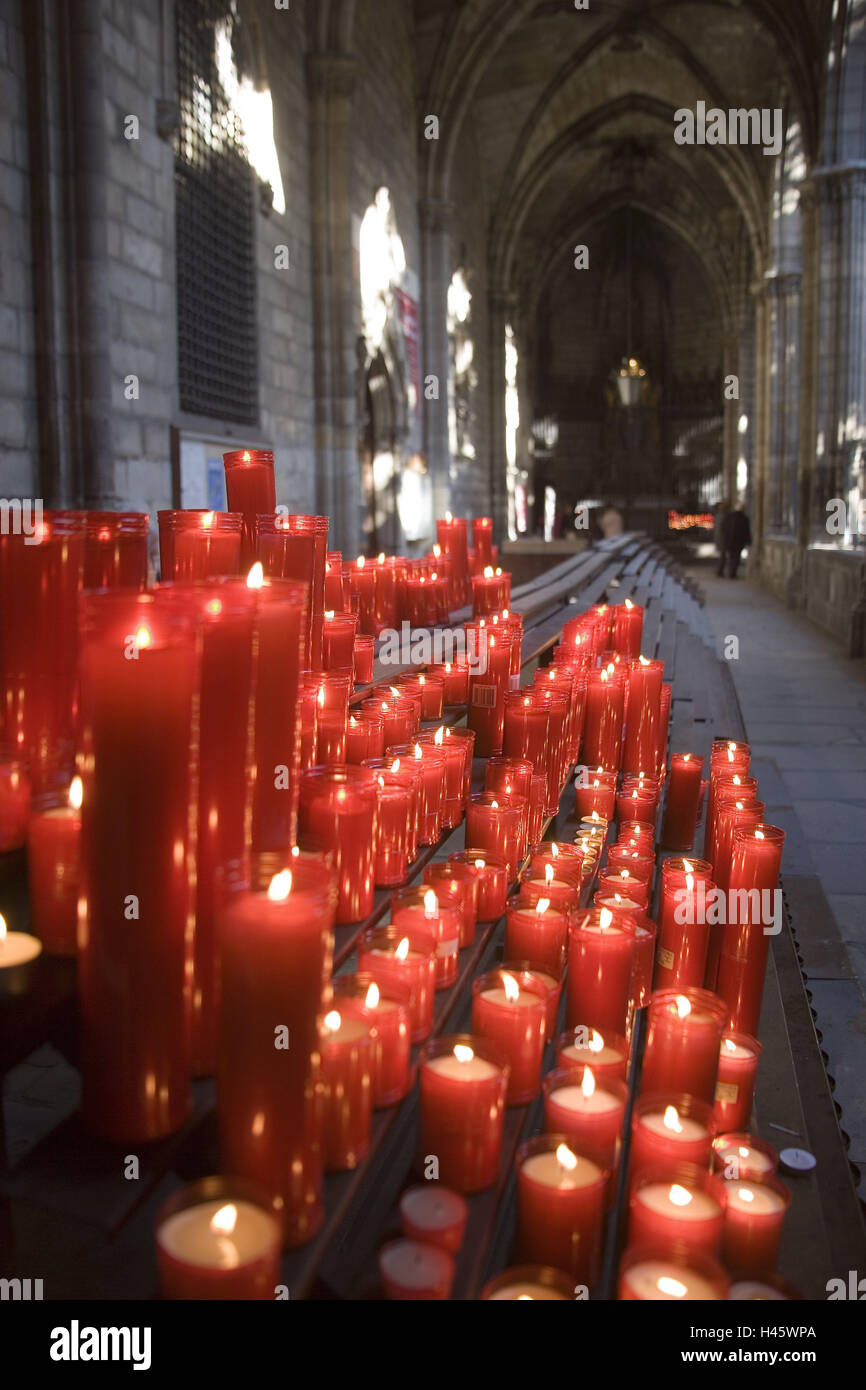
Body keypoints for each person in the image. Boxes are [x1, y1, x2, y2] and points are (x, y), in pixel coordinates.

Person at [719, 500, 751, 578]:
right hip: (738, 541)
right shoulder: (743, 518)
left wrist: (725, 538)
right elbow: (746, 531)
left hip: (730, 541)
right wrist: (748, 540)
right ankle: (732, 573)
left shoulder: (730, 517)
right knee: (735, 557)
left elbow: (723, 528)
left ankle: (731, 572)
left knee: (732, 557)